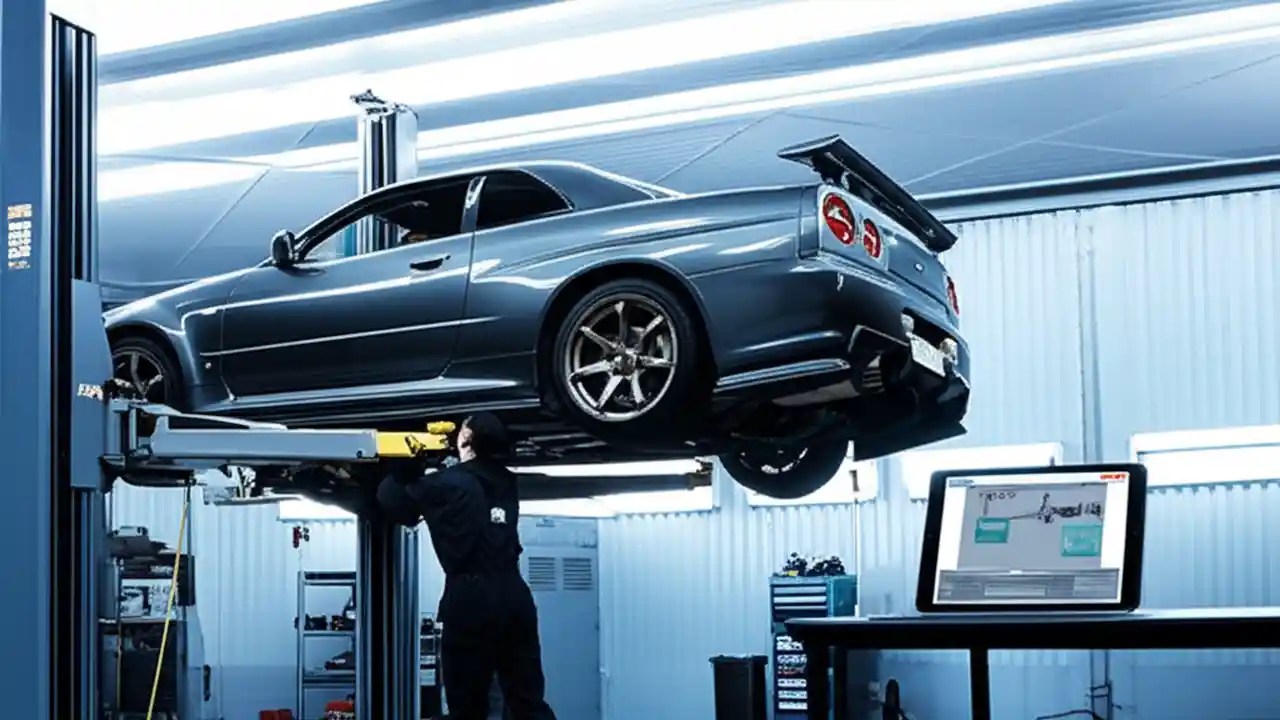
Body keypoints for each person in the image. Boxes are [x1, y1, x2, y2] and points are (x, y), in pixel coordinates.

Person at [375, 413, 557, 720]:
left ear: (466, 440)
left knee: (467, 705)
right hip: (515, 595)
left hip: (471, 596)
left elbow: (395, 506)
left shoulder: (446, 483)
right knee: (528, 700)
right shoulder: (506, 481)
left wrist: (406, 469)